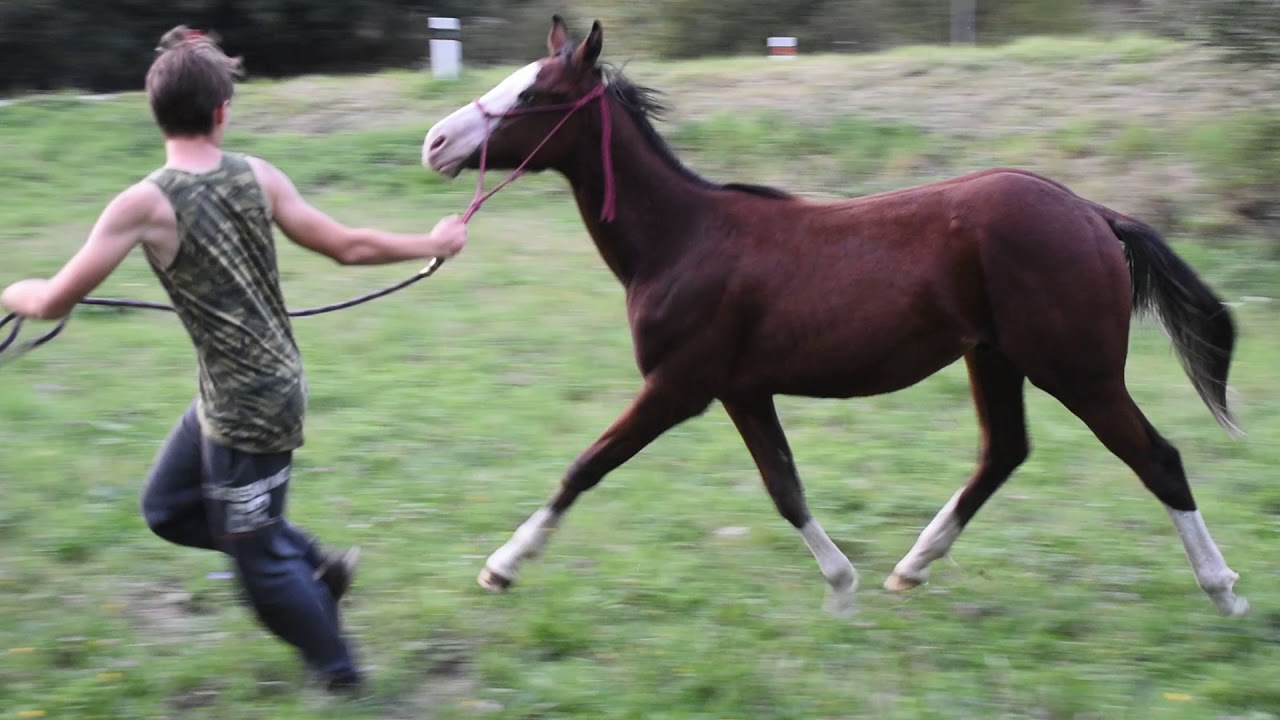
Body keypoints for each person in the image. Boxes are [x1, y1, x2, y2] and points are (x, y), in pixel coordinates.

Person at [0, 26, 467, 693]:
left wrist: (8, 289)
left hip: (254, 403)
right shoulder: (257, 175)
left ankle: (342, 678)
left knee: (259, 567)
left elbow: (49, 301)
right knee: (168, 508)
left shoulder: (143, 203)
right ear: (222, 112)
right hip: (227, 395)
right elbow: (349, 246)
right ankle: (319, 567)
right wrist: (433, 238)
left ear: (154, 107)